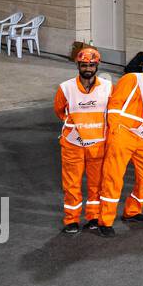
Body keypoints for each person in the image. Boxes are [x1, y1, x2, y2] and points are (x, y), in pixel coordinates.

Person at [97, 49, 143, 236]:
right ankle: (105, 221)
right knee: (113, 178)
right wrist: (115, 131)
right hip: (124, 135)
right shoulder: (132, 79)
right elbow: (114, 105)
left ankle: (132, 211)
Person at [53, 47, 111, 234]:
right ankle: (71, 220)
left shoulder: (108, 87)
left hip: (98, 143)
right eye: (84, 64)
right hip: (73, 145)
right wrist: (77, 126)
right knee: (71, 184)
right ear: (78, 65)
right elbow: (59, 111)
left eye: (91, 65)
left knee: (96, 185)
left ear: (97, 65)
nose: (88, 68)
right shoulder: (66, 87)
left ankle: (93, 217)